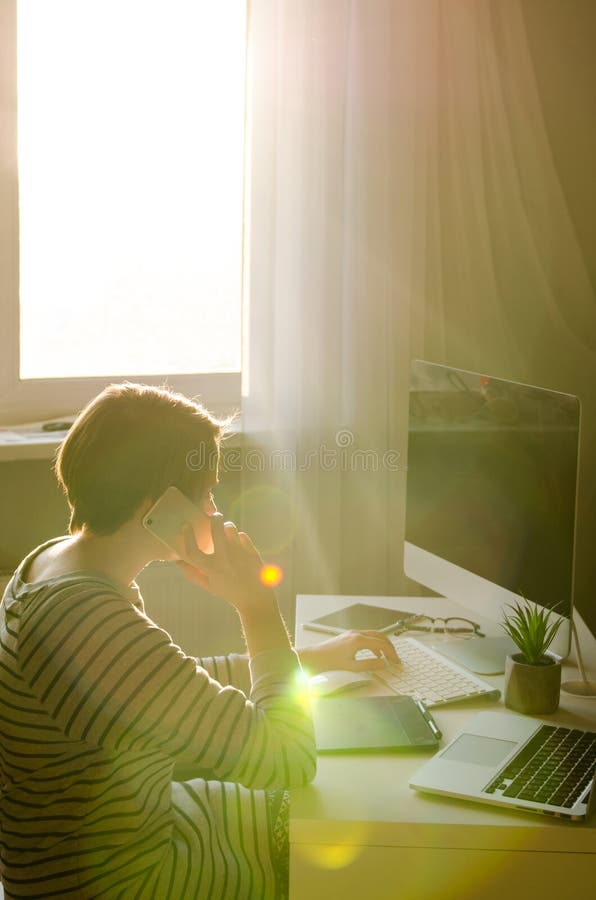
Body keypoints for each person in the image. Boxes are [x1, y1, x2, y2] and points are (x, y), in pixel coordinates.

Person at [0, 383, 399, 899]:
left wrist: (312, 657)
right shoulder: (87, 621)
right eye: (207, 493)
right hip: (116, 880)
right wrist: (257, 607)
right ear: (158, 506)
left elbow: (164, 685)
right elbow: (288, 761)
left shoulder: (55, 563)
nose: (213, 510)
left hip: (128, 832)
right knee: (343, 839)